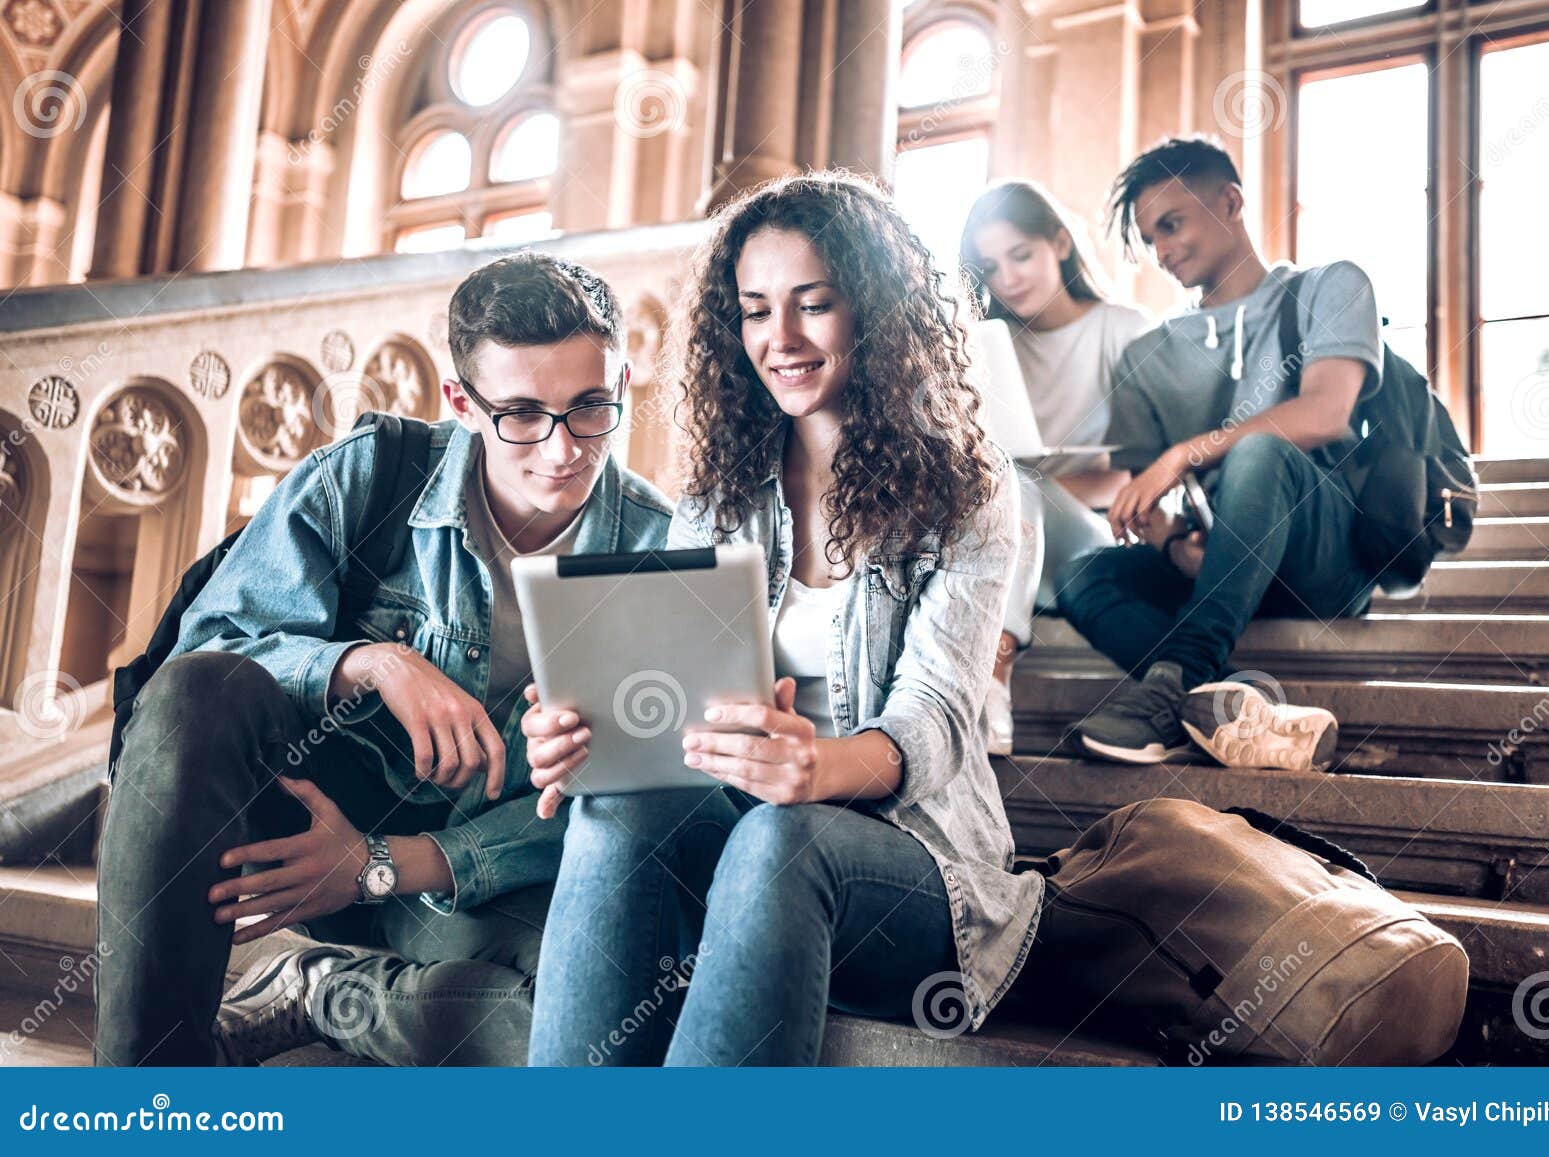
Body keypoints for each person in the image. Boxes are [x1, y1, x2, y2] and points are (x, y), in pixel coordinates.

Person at [94, 252, 672, 1066]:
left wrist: (381, 864)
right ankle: (146, 1094)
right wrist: (371, 662)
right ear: (461, 404)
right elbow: (202, 656)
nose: (563, 448)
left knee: (605, 1022)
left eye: (590, 408)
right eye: (521, 414)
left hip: (469, 879)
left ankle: (324, 991)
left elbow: (641, 799)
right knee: (197, 692)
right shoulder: (368, 476)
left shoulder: (659, 551)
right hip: (285, 832)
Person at [521, 172, 1043, 1066]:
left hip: (919, 865)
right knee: (613, 812)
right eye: (756, 311)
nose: (782, 339)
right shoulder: (722, 493)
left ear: (875, 311)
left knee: (778, 834)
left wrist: (817, 768)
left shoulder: (970, 485)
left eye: (814, 305)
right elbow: (680, 696)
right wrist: (590, 732)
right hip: (750, 841)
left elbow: (939, 719)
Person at [1059, 136, 1375, 770]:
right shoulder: (1147, 355)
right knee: (1081, 576)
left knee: (1261, 451)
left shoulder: (1329, 287)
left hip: (1321, 561)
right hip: (1218, 568)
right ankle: (1235, 699)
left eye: (1172, 225)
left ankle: (1177, 681)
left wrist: (1188, 452)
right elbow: (1137, 503)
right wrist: (1176, 545)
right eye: (1151, 240)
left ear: (1230, 202)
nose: (1163, 251)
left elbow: (1325, 410)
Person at [959, 180, 1150, 753]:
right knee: (1005, 482)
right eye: (991, 267)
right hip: (1007, 539)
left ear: (1060, 244)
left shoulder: (1123, 328)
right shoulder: (985, 348)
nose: (1009, 278)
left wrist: (1041, 483)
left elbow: (1140, 476)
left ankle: (996, 671)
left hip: (1091, 537)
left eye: (1021, 255)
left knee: (1017, 484)